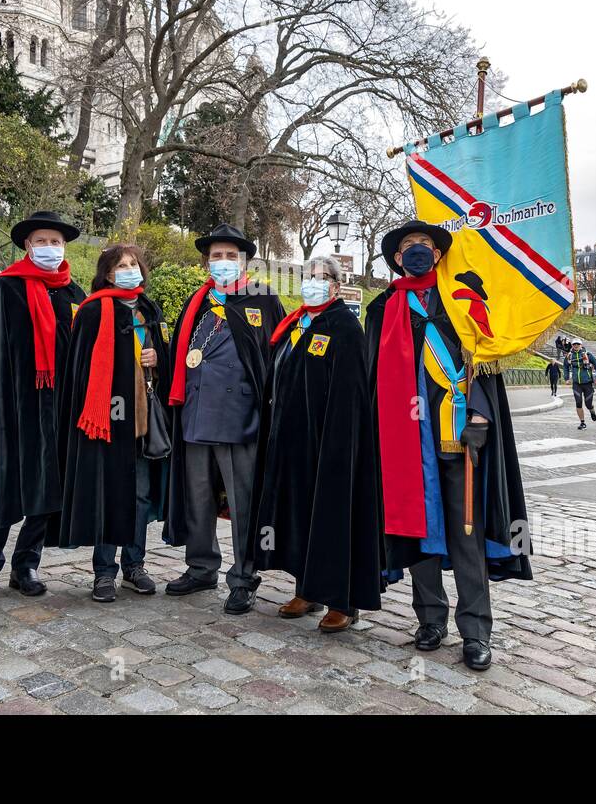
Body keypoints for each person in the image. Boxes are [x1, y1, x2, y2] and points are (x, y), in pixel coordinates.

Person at [366, 220, 531, 672]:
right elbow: (370, 377)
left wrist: (480, 414)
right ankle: (430, 619)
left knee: (466, 534)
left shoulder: (463, 299)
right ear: (397, 259)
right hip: (404, 439)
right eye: (408, 247)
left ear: (438, 254)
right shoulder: (381, 309)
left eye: (425, 244)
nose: (417, 251)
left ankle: (476, 630)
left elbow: (485, 360)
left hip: (458, 436)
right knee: (418, 528)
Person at [249, 256, 382, 633]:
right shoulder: (297, 324)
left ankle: (344, 600)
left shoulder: (344, 327)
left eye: (321, 278)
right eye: (308, 278)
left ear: (337, 287)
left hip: (331, 443)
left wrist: (338, 443)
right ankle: (307, 589)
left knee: (334, 518)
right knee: (300, 516)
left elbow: (351, 393)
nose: (313, 284)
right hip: (293, 441)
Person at [163, 223, 284, 615]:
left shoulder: (262, 298)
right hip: (196, 411)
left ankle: (244, 577)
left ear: (244, 261)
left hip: (241, 416)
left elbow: (276, 355)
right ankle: (201, 566)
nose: (224, 262)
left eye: (231, 256)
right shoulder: (196, 301)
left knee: (242, 501)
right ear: (206, 262)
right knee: (197, 496)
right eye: (217, 256)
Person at [0, 211, 85, 603]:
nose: (50, 248)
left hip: (61, 408)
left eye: (56, 242)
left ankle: (25, 565)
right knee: (6, 489)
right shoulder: (7, 288)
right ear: (27, 246)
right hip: (16, 406)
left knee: (49, 490)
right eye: (42, 242)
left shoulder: (75, 294)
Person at [60, 244, 172, 602]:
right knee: (108, 493)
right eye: (121, 265)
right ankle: (103, 572)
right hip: (105, 420)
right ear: (108, 274)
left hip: (141, 419)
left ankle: (134, 566)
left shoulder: (149, 310)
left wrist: (157, 358)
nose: (129, 269)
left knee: (139, 495)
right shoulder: (93, 311)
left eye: (133, 263)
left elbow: (164, 360)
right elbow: (78, 368)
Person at [563, 338, 596, 429]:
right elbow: (565, 367)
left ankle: (592, 411)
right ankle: (582, 422)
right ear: (572, 345)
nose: (576, 346)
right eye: (574, 344)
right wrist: (567, 378)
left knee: (588, 404)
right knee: (578, 402)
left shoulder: (587, 354)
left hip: (587, 383)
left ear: (581, 345)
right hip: (576, 383)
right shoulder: (569, 356)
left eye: (578, 344)